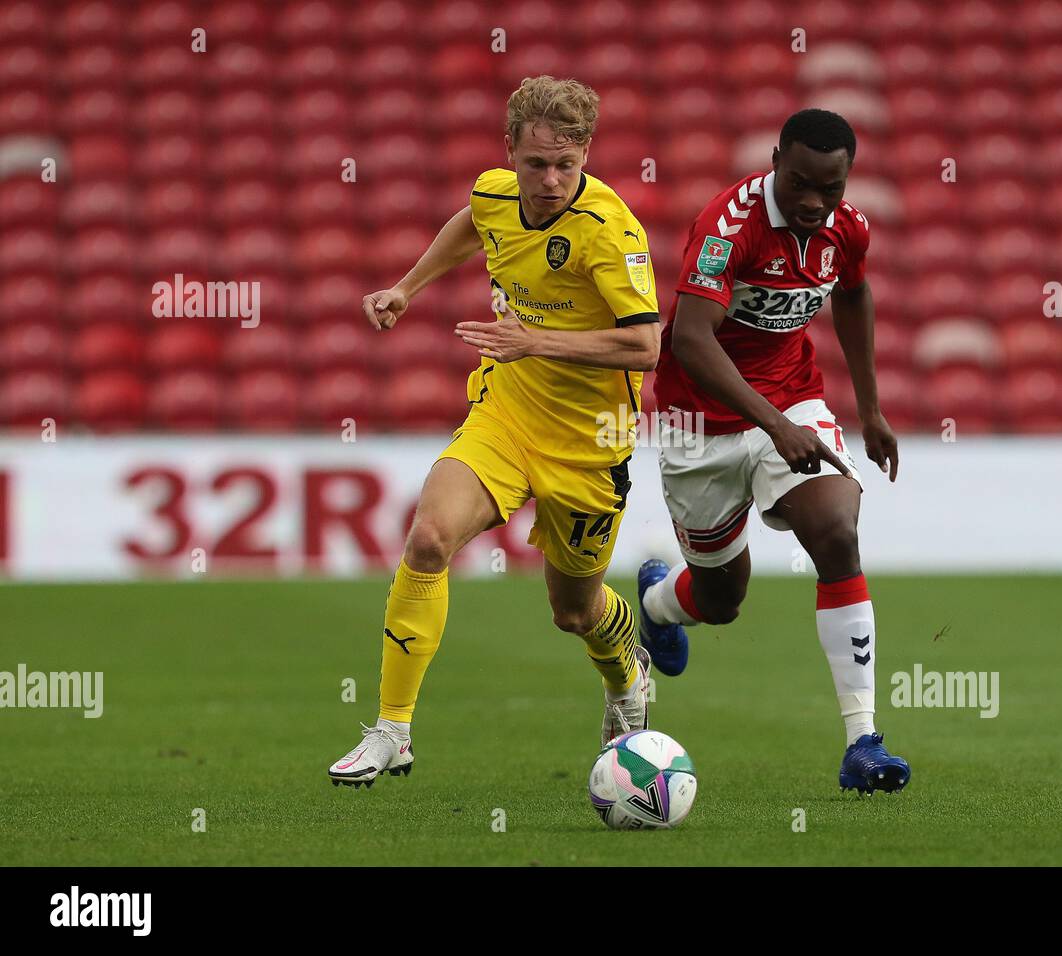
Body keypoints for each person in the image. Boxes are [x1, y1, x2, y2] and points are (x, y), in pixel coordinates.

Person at [328, 76, 660, 787]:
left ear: (586, 157)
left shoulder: (611, 232)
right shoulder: (494, 193)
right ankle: (393, 729)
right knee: (428, 538)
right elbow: (469, 224)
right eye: (535, 163)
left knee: (573, 613)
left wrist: (536, 341)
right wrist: (405, 288)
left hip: (589, 443)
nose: (549, 180)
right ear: (509, 150)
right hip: (505, 414)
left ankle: (627, 672)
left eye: (565, 165)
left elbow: (646, 347)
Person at [637, 109, 910, 794]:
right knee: (723, 597)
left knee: (836, 531)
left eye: (832, 189)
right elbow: (693, 339)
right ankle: (660, 604)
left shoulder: (846, 228)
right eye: (800, 184)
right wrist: (770, 425)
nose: (815, 203)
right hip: (696, 426)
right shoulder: (727, 224)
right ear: (774, 160)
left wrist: (870, 410)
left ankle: (863, 744)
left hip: (792, 401)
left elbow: (853, 295)